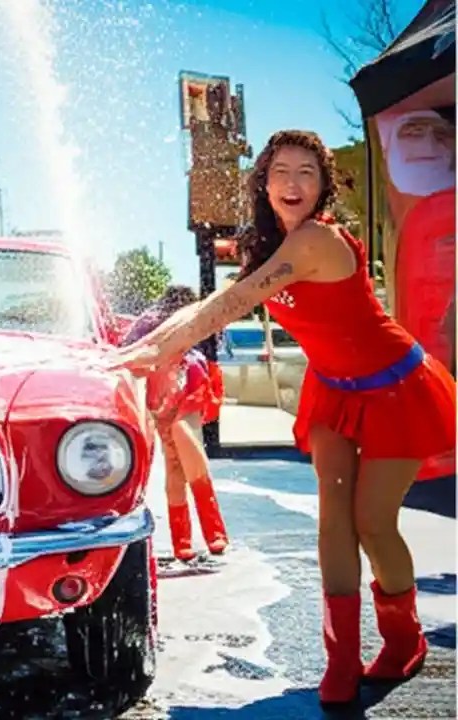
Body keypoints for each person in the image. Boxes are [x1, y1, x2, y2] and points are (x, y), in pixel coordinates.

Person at [115, 130, 456, 707]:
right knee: (333, 525)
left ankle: (403, 641)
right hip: (334, 394)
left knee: (372, 522)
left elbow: (230, 305)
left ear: (322, 186)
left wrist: (159, 352)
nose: (293, 184)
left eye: (307, 173)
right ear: (264, 182)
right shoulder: (272, 246)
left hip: (395, 389)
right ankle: (341, 661)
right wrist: (142, 349)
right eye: (281, 171)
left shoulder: (317, 240)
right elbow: (208, 304)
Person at [123, 286, 229, 562]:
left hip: (164, 387)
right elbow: (215, 348)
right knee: (177, 458)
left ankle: (209, 535)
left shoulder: (151, 318)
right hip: (186, 379)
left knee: (181, 447)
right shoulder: (195, 316)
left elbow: (127, 345)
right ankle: (188, 541)